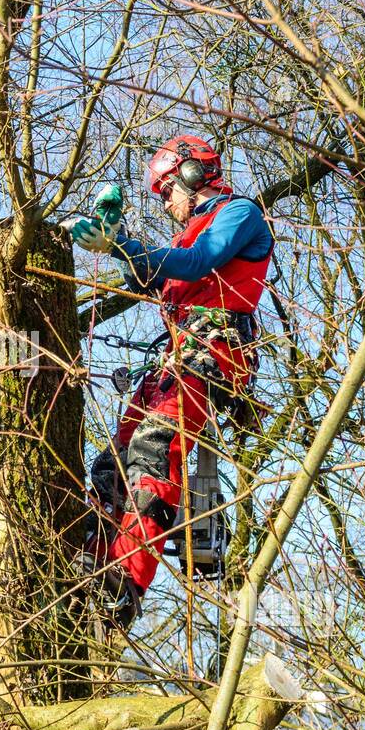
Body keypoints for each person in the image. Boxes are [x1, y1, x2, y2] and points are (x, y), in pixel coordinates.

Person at [64, 134, 275, 627]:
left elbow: (200, 262)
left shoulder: (239, 215)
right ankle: (88, 565)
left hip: (213, 354)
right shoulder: (183, 239)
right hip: (177, 359)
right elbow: (154, 275)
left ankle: (123, 586)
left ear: (191, 175)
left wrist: (127, 244)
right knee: (111, 466)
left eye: (166, 192)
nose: (166, 203)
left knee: (153, 454)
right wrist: (115, 244)